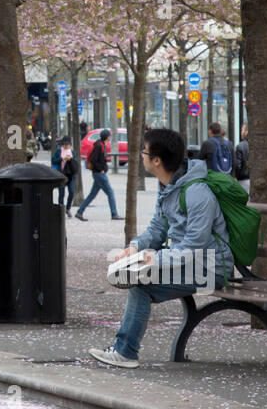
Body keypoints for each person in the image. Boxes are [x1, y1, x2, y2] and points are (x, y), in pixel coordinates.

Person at [89, 128, 232, 368]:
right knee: (139, 279)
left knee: (142, 284)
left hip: (211, 267)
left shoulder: (198, 193)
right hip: (190, 261)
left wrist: (155, 260)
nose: (141, 155)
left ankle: (125, 352)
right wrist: (134, 248)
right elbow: (157, 229)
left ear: (157, 160)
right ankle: (124, 351)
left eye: (144, 151)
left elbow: (194, 246)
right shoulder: (168, 186)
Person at [75, 129, 119, 221]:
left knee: (92, 194)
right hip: (99, 174)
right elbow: (94, 160)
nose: (110, 138)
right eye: (109, 136)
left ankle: (79, 212)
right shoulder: (99, 146)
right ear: (107, 137)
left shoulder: (101, 145)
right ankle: (114, 214)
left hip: (98, 174)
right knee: (110, 192)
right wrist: (101, 169)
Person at [59, 142, 79, 212]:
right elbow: (54, 160)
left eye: (67, 144)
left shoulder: (72, 152)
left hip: (71, 175)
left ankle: (68, 208)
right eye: (65, 144)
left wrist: (71, 159)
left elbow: (76, 162)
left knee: (71, 192)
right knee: (61, 194)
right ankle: (60, 209)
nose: (66, 146)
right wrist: (62, 158)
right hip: (61, 175)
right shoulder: (59, 151)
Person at [234, 124, 251, 191]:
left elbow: (238, 165)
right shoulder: (258, 145)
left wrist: (236, 176)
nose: (241, 132)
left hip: (244, 179)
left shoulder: (240, 146)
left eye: (242, 130)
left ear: (246, 132)